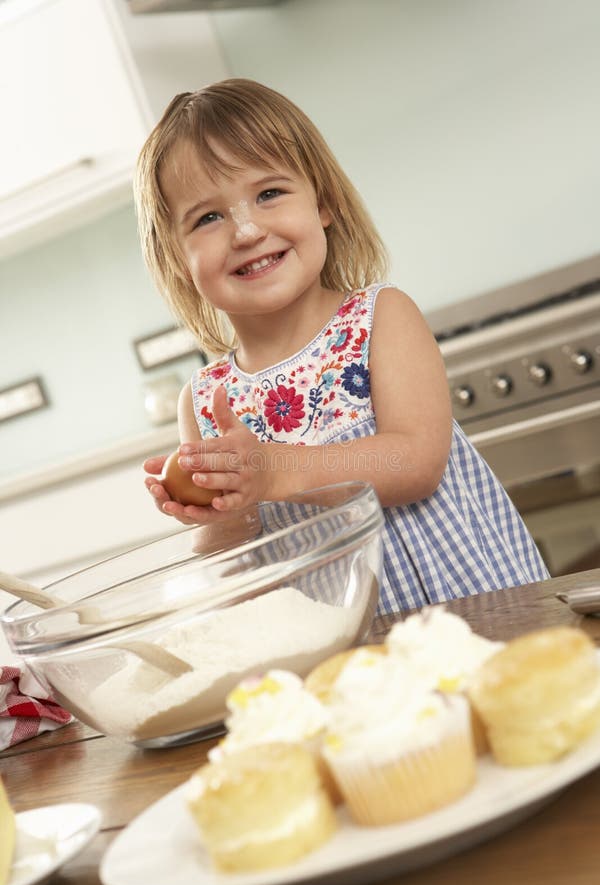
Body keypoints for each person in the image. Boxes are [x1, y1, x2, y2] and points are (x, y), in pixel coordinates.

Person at [135, 78, 549, 615]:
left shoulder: (380, 318)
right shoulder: (205, 399)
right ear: (176, 259)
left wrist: (274, 471)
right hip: (343, 648)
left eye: (269, 194)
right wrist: (216, 515)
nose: (246, 231)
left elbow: (418, 461)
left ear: (323, 203)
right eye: (208, 217)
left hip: (472, 612)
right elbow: (237, 568)